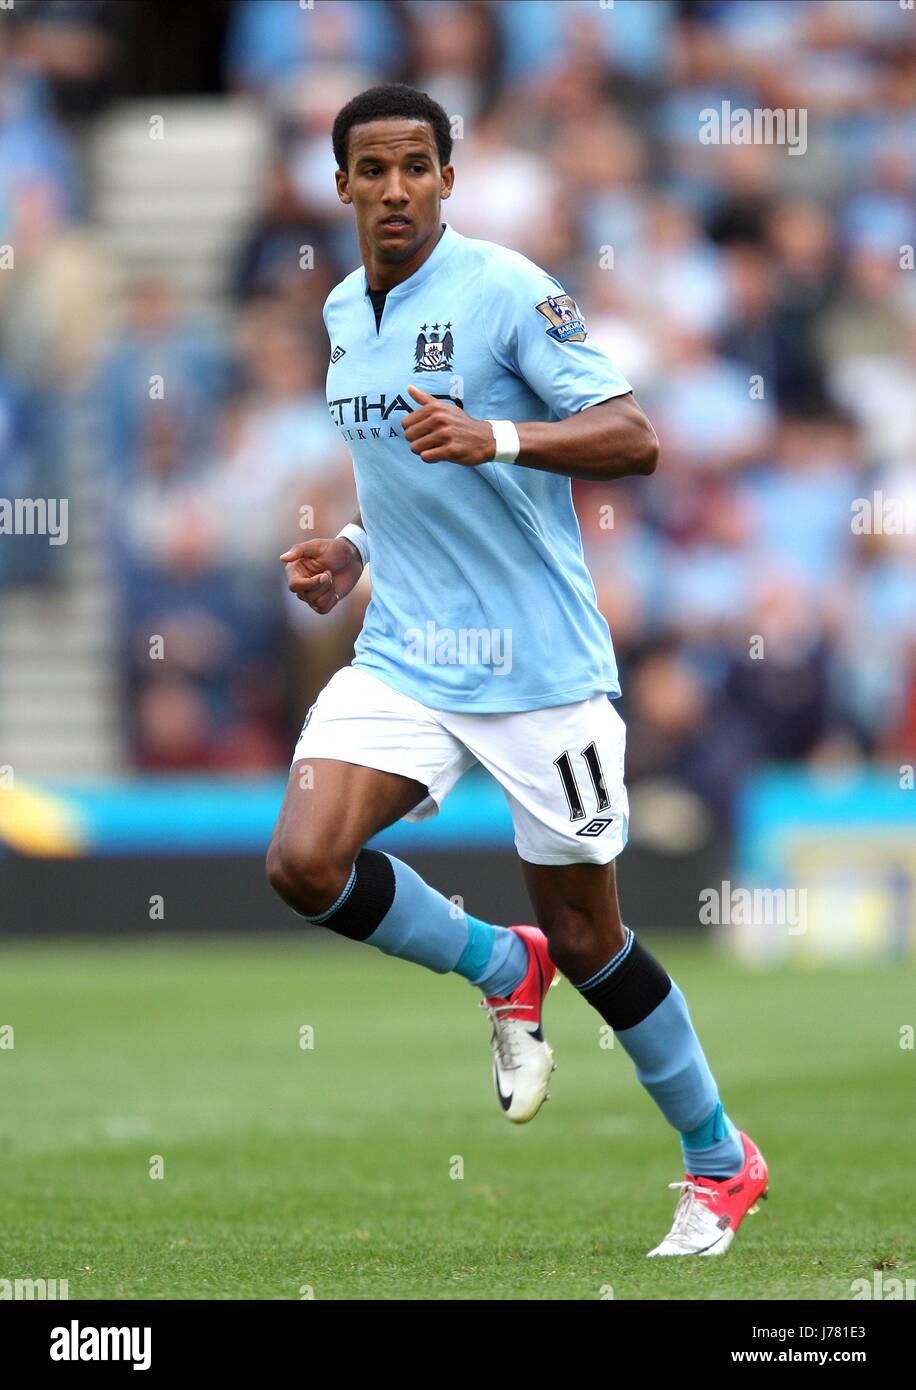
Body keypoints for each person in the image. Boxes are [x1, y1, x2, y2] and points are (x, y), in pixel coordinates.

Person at [266, 84, 767, 1257]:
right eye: (372, 169)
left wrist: (494, 434)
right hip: (409, 653)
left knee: (591, 939)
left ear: (449, 178)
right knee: (303, 862)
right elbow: (409, 473)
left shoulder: (505, 290)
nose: (395, 188)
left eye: (416, 167)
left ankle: (719, 1160)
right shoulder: (341, 309)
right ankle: (499, 961)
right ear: (340, 186)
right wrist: (354, 549)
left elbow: (634, 437)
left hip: (537, 668)